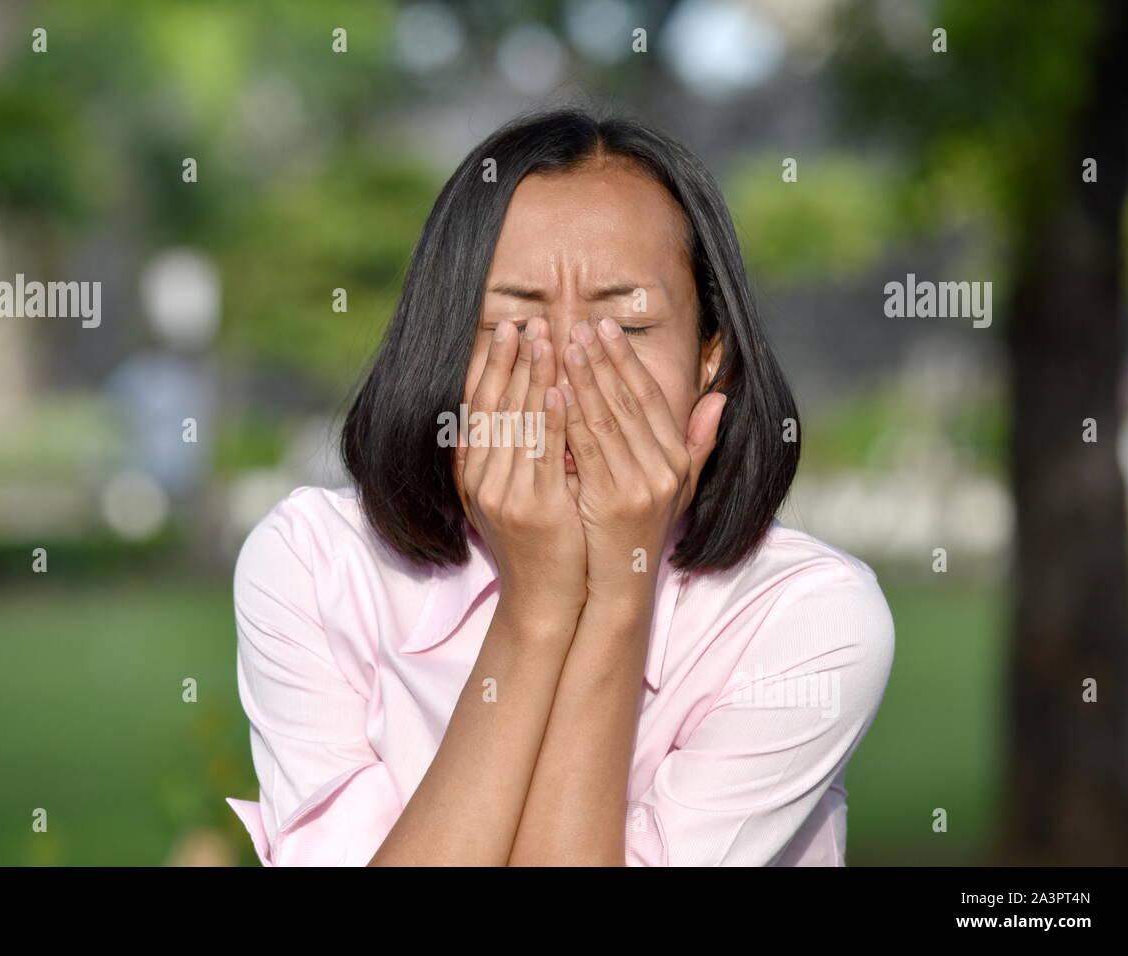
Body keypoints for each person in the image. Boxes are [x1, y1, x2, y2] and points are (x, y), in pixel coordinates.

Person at [226, 108, 894, 866]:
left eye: (628, 331)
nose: (570, 384)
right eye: (512, 327)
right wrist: (537, 607)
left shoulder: (805, 618)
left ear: (713, 356)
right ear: (442, 347)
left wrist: (617, 593)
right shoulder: (316, 566)